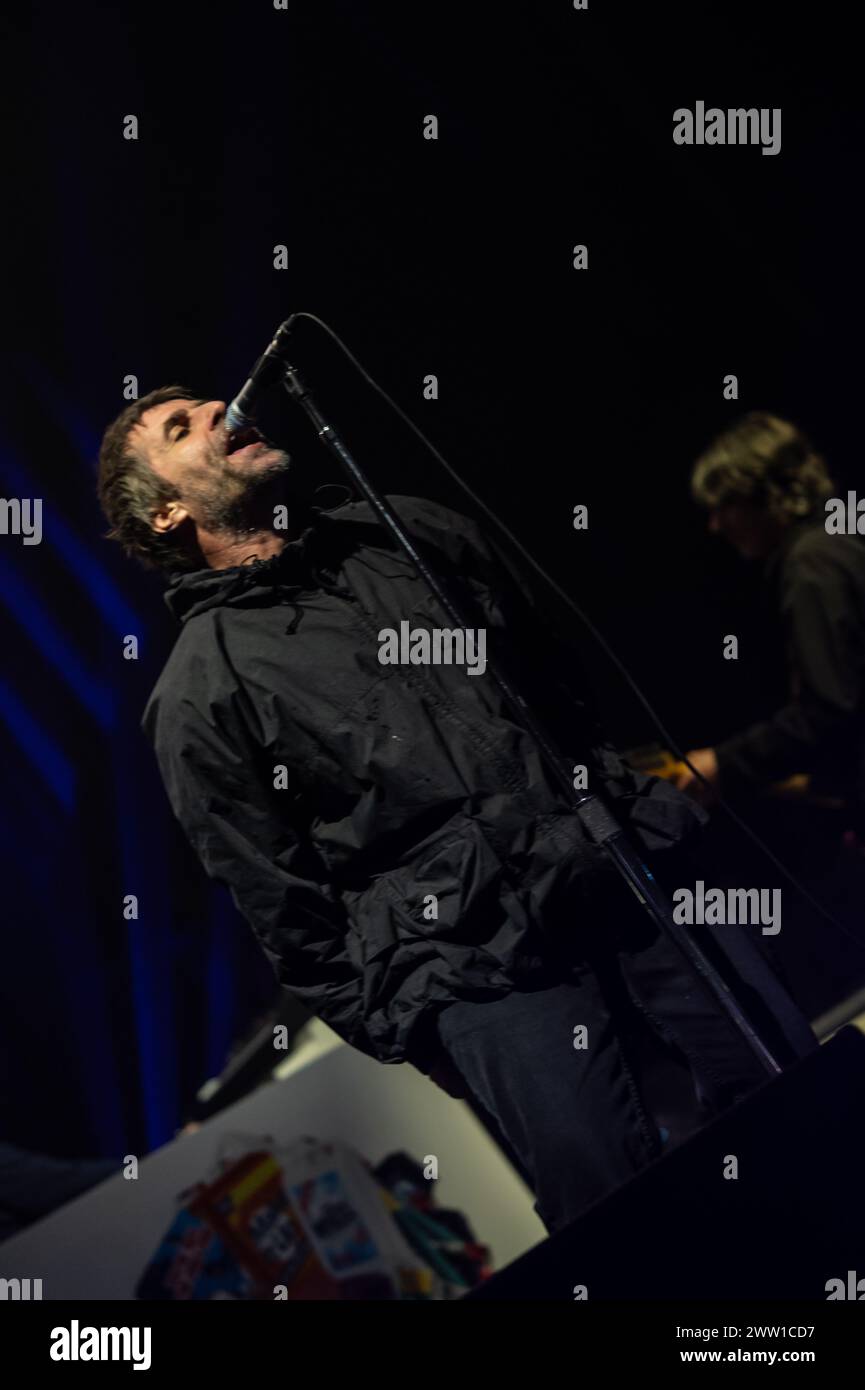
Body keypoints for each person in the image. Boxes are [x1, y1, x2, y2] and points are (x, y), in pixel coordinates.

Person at [97, 386, 815, 1234]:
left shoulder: (401, 530)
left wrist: (608, 797)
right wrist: (413, 1024)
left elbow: (553, 670)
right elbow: (280, 904)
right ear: (168, 513)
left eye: (209, 400)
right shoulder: (199, 693)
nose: (220, 408)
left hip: (615, 862)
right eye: (181, 428)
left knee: (792, 1090)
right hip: (472, 963)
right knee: (609, 1197)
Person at [675, 411, 865, 1016]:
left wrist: (721, 764)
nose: (714, 525)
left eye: (721, 505)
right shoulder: (847, 535)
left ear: (759, 493)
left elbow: (831, 707)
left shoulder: (812, 562)